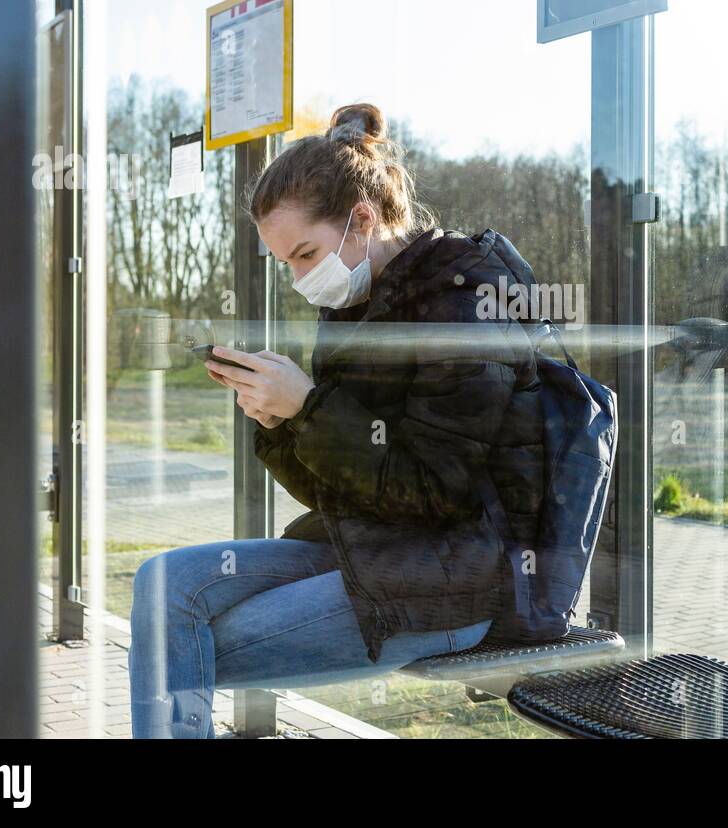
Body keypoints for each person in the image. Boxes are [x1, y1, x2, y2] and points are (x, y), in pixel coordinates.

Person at [128, 102, 545, 738]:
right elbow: (338, 489)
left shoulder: (465, 307)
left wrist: (309, 408)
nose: (299, 278)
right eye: (285, 263)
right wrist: (278, 421)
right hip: (365, 548)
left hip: (454, 577)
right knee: (164, 586)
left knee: (177, 647)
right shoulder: (354, 309)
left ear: (363, 218)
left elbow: (431, 494)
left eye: (304, 253)